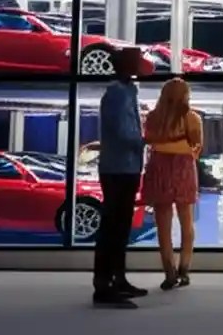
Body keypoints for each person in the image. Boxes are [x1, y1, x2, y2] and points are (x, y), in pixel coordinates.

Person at [92, 47, 150, 309]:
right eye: (137, 61)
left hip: (128, 166)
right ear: (126, 65)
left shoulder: (128, 91)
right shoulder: (116, 93)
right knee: (112, 227)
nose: (142, 65)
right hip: (116, 168)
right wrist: (144, 140)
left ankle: (119, 278)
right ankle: (103, 286)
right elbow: (121, 130)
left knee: (122, 226)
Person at [142, 77, 203, 290]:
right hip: (183, 167)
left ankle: (169, 272)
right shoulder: (192, 118)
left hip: (159, 166)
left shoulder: (153, 117)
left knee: (163, 224)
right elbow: (197, 145)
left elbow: (148, 139)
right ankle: (184, 269)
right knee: (187, 221)